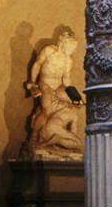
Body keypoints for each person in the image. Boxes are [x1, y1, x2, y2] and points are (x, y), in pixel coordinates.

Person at [22, 29, 83, 158]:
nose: (72, 51)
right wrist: (32, 82)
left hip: (59, 87)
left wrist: (74, 97)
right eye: (71, 47)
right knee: (46, 108)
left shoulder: (68, 60)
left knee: (76, 104)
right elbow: (37, 65)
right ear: (64, 44)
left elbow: (66, 80)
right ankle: (34, 138)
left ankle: (62, 137)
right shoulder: (49, 50)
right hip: (45, 84)